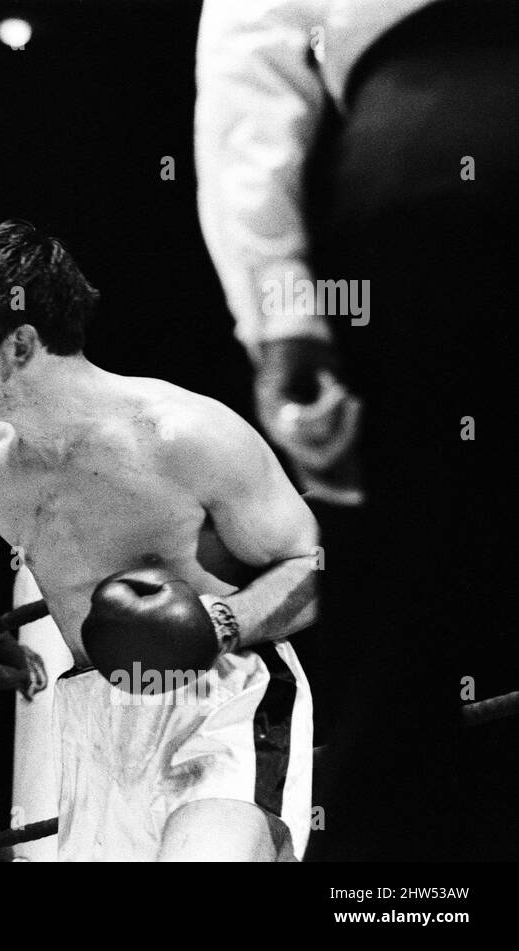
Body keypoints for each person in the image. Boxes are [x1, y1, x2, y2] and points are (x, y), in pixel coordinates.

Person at [0, 221, 318, 860]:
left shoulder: (185, 437)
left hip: (218, 701)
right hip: (94, 719)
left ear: (19, 343)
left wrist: (224, 622)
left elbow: (310, 567)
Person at [196, 0, 518, 857]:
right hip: (439, 131)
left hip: (434, 142)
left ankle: (401, 909)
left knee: (405, 644)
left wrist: (282, 317)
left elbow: (250, 72)